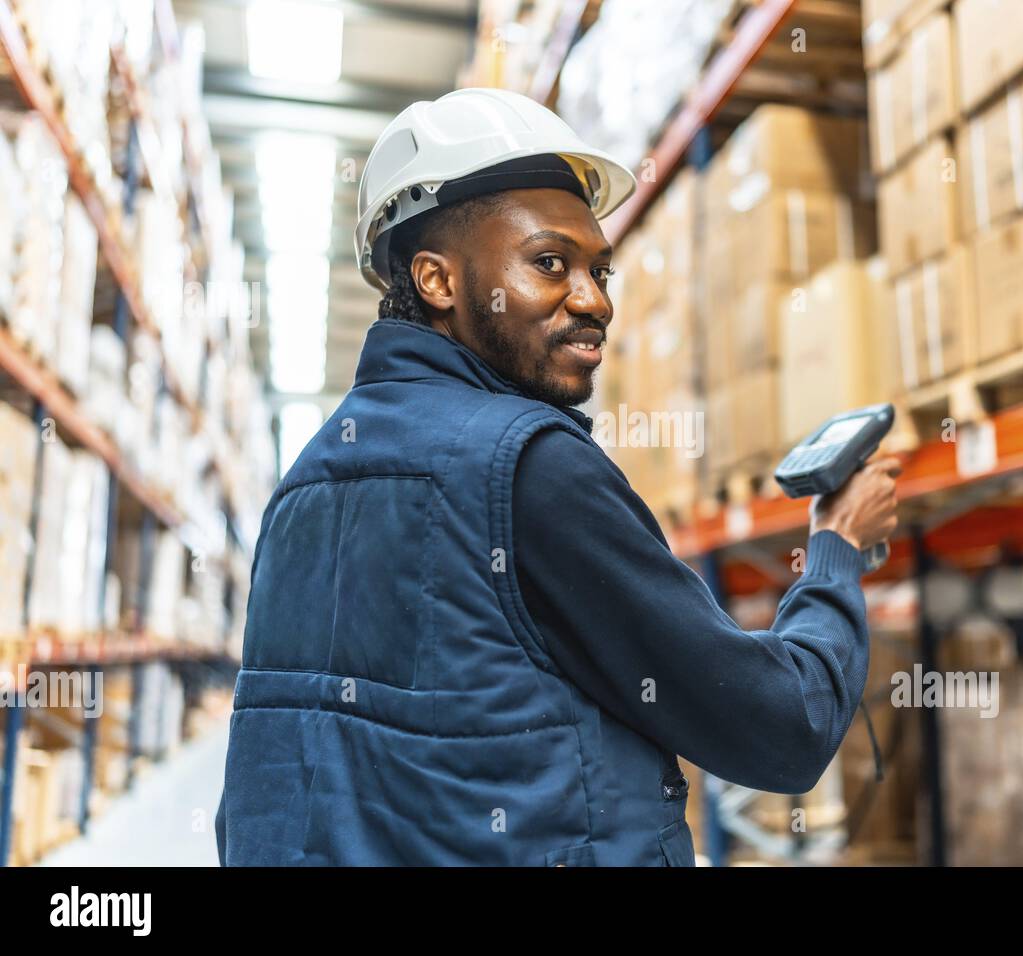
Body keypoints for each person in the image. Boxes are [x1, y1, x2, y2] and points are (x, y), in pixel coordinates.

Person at [214, 88, 900, 866]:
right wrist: (836, 550)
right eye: (550, 263)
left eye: (600, 269)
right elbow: (781, 728)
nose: (595, 300)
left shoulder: (304, 482)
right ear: (438, 280)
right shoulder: (529, 467)